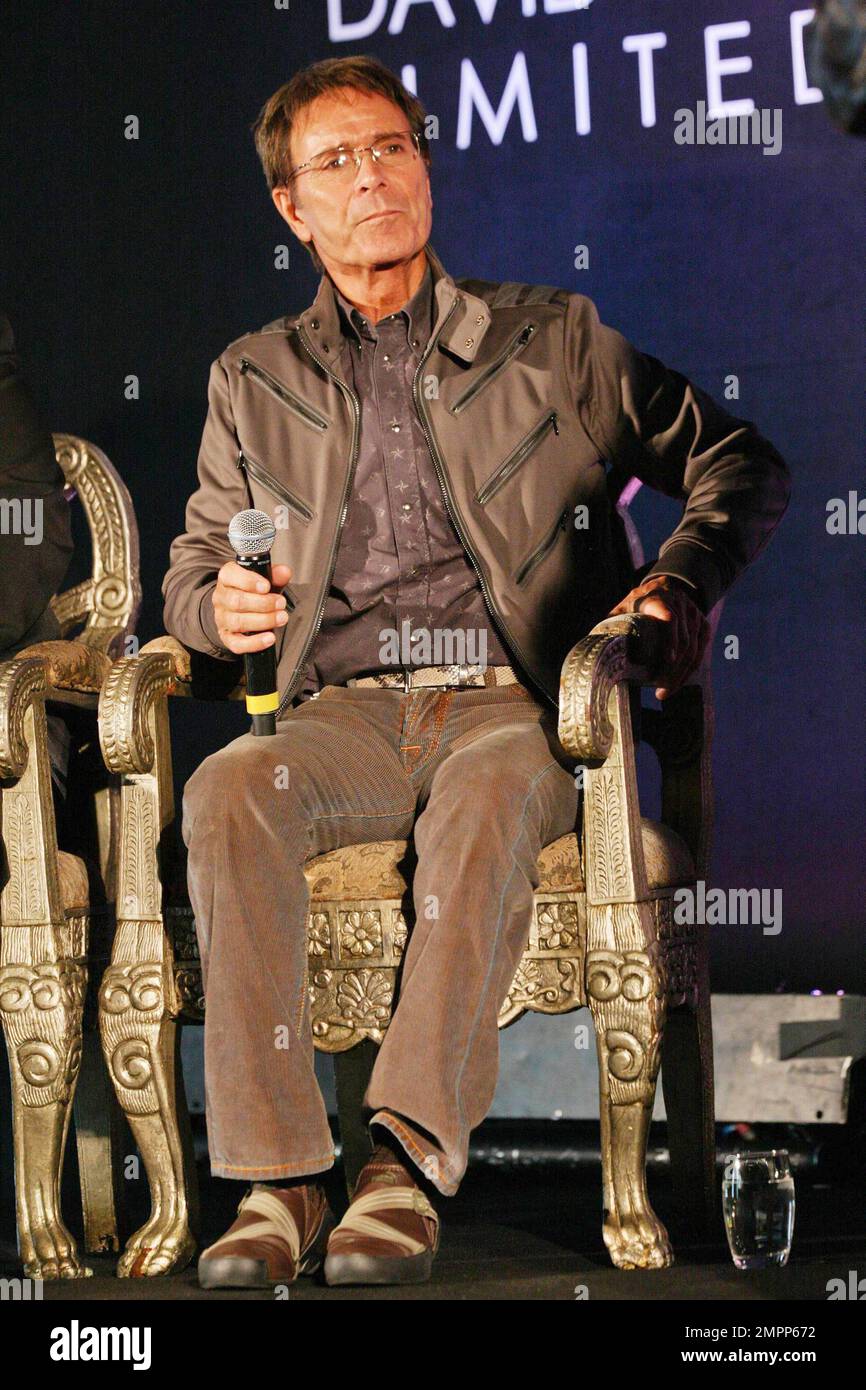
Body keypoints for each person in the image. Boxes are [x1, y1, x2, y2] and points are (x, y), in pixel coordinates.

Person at [162, 55, 791, 1290]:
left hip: (513, 703)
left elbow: (739, 460)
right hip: (341, 713)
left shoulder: (550, 340)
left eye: (391, 147)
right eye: (335, 162)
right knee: (228, 790)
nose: (372, 177)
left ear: (426, 165)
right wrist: (211, 604)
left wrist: (673, 581)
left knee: (492, 793)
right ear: (293, 208)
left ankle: (398, 1160)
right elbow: (191, 569)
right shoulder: (254, 376)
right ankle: (280, 1174)